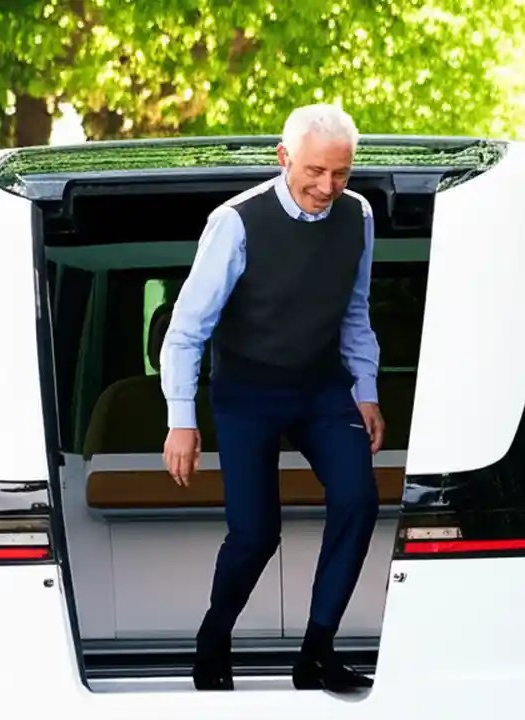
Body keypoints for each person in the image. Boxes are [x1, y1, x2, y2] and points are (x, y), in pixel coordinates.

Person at [159, 103, 384, 693]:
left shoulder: (358, 215)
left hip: (320, 388)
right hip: (246, 395)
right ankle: (214, 638)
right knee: (256, 534)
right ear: (283, 158)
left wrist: (365, 390)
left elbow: (355, 311)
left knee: (359, 499)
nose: (327, 187)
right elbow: (186, 331)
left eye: (341, 173)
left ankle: (317, 652)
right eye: (315, 171)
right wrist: (181, 420)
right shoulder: (235, 223)